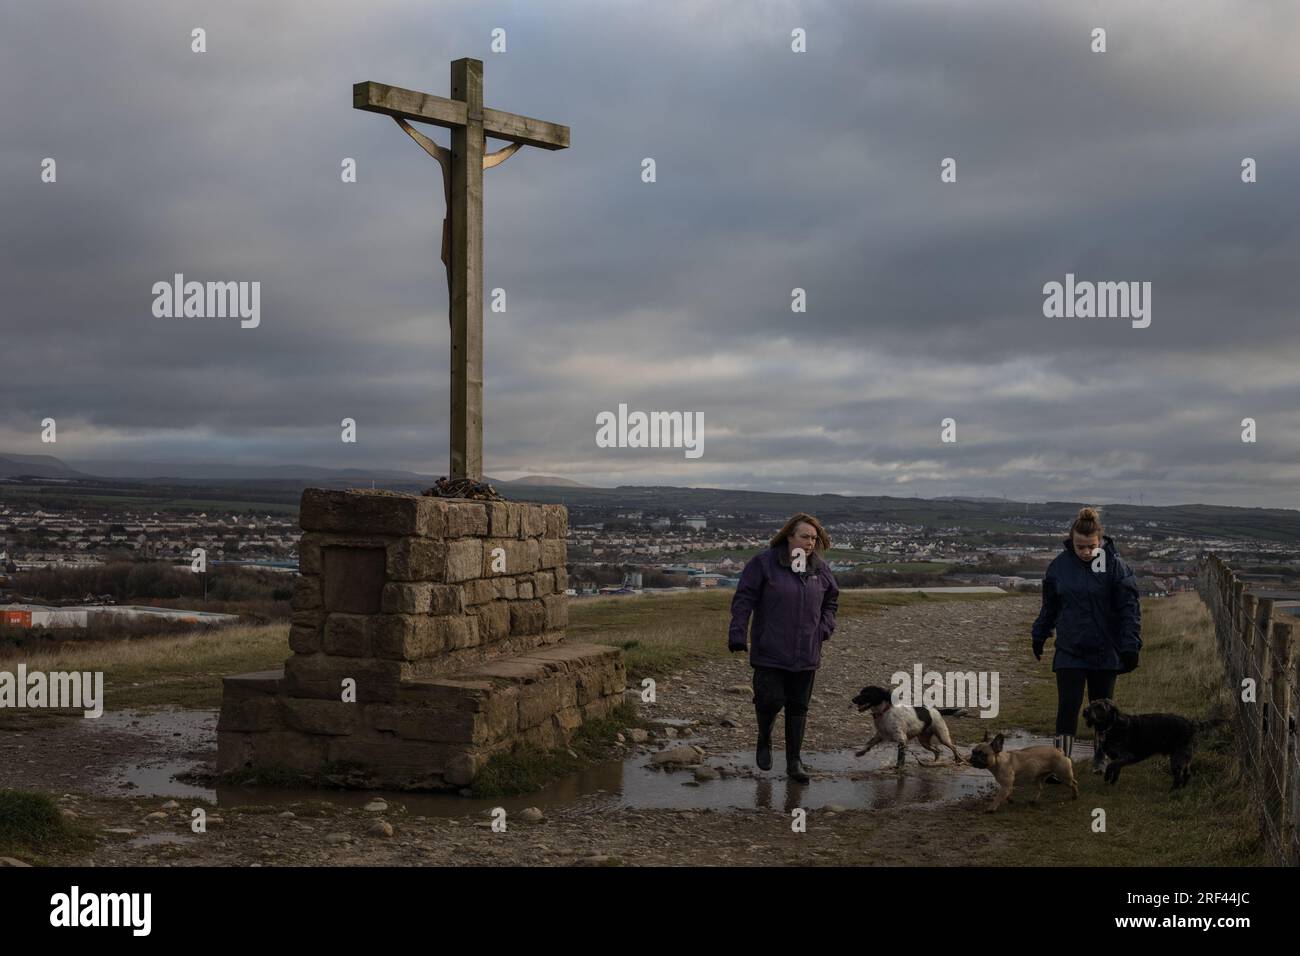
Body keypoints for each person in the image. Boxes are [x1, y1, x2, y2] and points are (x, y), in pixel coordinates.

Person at [727, 513, 839, 783]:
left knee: (798, 706)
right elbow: (744, 598)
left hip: (807, 652)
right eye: (804, 536)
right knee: (770, 700)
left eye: (814, 538)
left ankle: (794, 762)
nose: (810, 542)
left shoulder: (819, 568)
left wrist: (823, 629)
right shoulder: (764, 563)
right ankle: (764, 739)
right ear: (789, 536)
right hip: (770, 649)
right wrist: (738, 633)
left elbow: (831, 601)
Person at [1031, 506, 1141, 772]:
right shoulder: (1059, 566)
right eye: (1080, 547)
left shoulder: (1115, 566)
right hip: (1070, 649)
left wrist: (1130, 646)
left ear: (1100, 541)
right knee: (1067, 707)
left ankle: (1100, 759)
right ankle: (1061, 764)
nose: (1086, 552)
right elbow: (1050, 606)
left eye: (1091, 546)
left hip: (1105, 651)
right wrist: (1039, 633)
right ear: (1072, 541)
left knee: (1103, 711)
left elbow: (1129, 609)